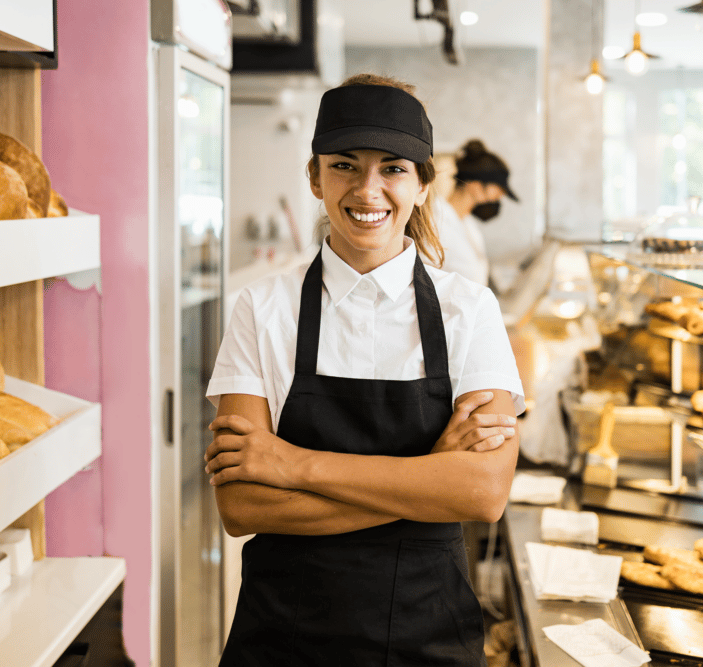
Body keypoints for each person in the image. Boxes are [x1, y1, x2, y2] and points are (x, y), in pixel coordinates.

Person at [204, 72, 525, 666]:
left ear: (424, 184)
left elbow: (482, 492)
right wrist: (429, 476)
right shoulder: (262, 307)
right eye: (346, 165)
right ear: (315, 178)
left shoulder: (469, 310)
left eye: (394, 168)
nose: (368, 189)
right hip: (283, 641)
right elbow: (243, 505)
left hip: (426, 639)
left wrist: (292, 464)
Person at [436, 139, 518, 285]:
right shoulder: (435, 223)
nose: (499, 197)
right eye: (498, 190)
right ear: (475, 185)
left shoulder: (468, 223)